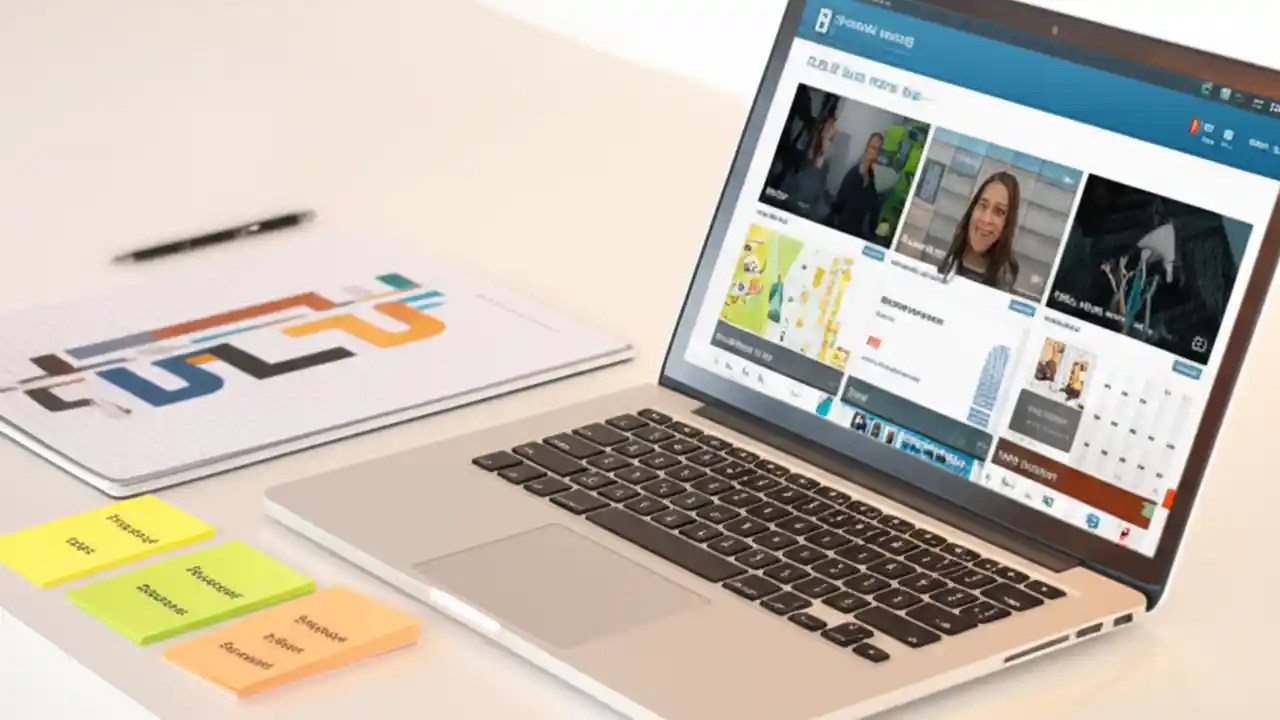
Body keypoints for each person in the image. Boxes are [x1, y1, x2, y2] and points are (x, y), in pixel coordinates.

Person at [937, 171, 1021, 291]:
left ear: (1008, 223)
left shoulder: (1005, 281)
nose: (986, 219)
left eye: (999, 212)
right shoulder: (945, 253)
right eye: (983, 205)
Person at [776, 115, 837, 219]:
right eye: (830, 128)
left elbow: (819, 191)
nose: (834, 130)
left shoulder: (825, 164)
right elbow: (800, 190)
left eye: (831, 138)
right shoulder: (802, 157)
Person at [830, 132, 884, 239]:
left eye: (878, 149)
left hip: (858, 229)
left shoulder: (870, 174)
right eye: (873, 147)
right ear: (867, 146)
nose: (875, 152)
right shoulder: (855, 172)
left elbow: (873, 202)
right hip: (845, 227)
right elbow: (841, 198)